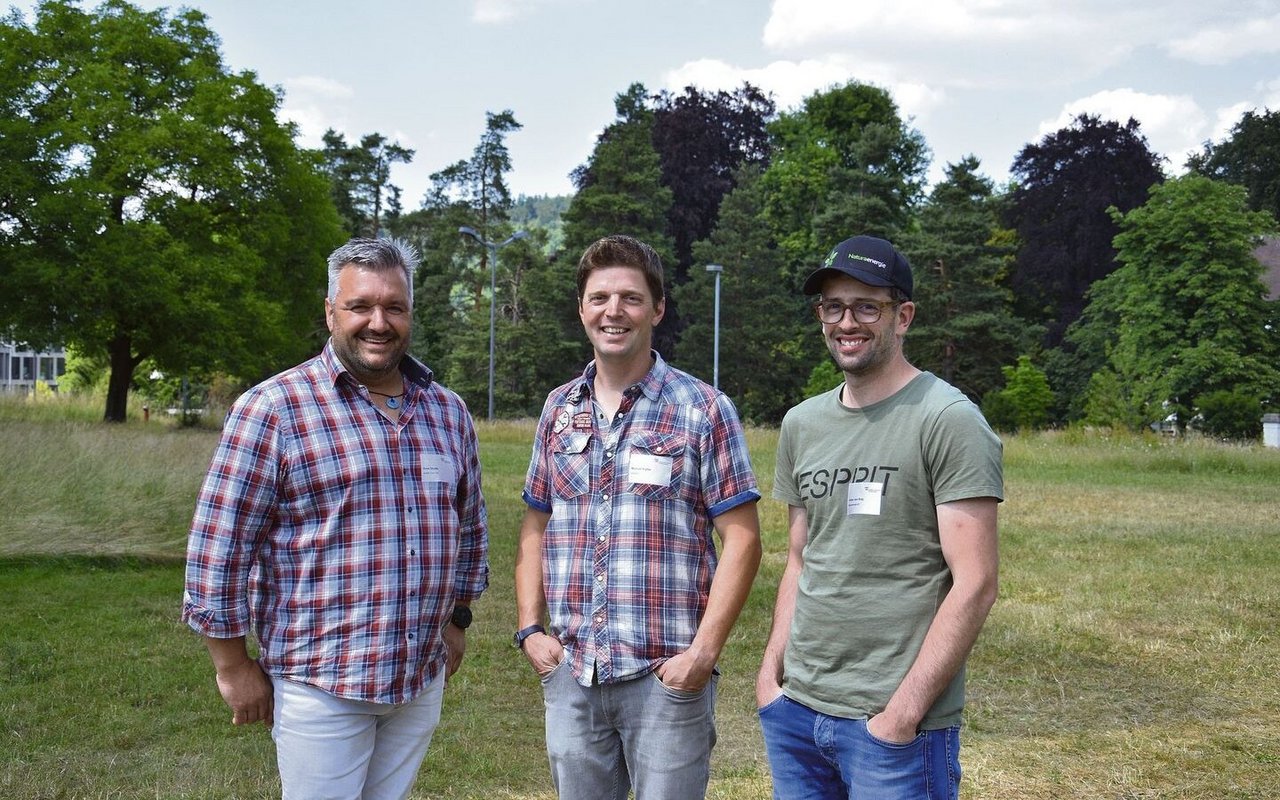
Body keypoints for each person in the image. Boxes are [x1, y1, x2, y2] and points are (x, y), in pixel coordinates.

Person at [182, 237, 489, 800]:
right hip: (321, 683)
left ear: (410, 313)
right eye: (360, 306)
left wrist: (457, 623)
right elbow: (218, 547)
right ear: (330, 311)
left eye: (394, 307)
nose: (379, 322)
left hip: (418, 679)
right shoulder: (273, 410)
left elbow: (469, 530)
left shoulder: (447, 412)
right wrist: (231, 667)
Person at [514, 234, 762, 800]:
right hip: (575, 675)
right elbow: (535, 527)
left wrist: (702, 655)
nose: (614, 311)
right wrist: (531, 630)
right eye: (599, 297)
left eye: (630, 297)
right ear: (582, 310)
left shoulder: (702, 408)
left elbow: (743, 540)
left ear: (657, 309)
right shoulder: (558, 410)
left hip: (665, 678)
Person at [757, 235, 1003, 799]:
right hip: (796, 712)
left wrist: (901, 715)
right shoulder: (802, 425)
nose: (847, 322)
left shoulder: (948, 419)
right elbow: (800, 558)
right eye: (833, 306)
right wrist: (772, 676)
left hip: (891, 726)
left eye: (867, 306)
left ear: (903, 316)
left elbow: (976, 582)